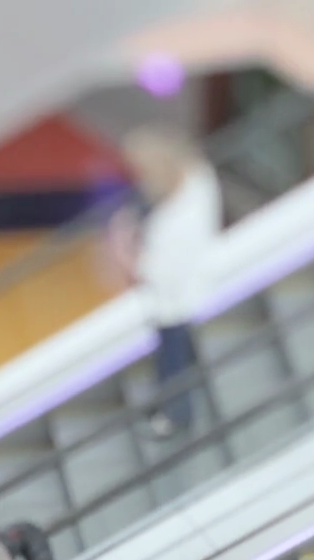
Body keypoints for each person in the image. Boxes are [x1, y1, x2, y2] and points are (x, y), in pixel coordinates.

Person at [113, 125, 225, 438]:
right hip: (190, 283)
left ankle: (176, 416)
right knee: (181, 347)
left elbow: (150, 272)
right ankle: (182, 400)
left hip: (174, 298)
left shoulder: (171, 226)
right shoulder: (198, 180)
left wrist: (121, 247)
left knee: (171, 358)